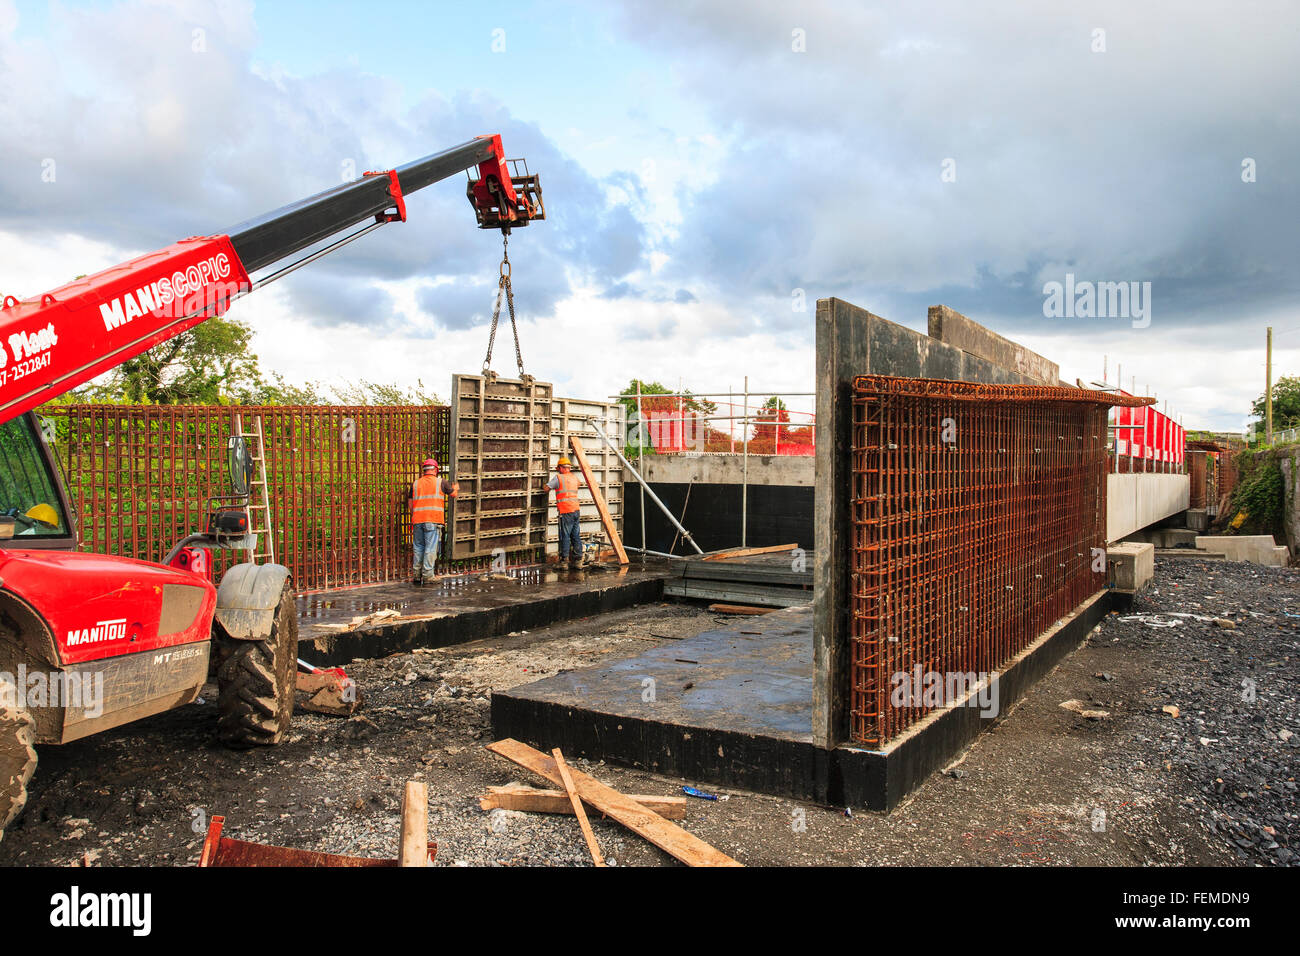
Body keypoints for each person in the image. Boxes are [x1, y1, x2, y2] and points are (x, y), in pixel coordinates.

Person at [409, 458, 458, 585]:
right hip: (433, 520)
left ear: (424, 471)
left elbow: (410, 502)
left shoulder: (415, 483)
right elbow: (453, 494)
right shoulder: (441, 482)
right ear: (435, 470)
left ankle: (416, 574)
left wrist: (415, 515)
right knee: (430, 548)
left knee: (418, 547)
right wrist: (455, 487)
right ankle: (427, 575)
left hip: (418, 519)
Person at [548, 456, 584, 569]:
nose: (558, 470)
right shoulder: (574, 478)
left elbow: (546, 488)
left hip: (566, 510)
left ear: (561, 467)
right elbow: (579, 484)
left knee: (565, 536)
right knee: (576, 535)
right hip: (576, 510)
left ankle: (564, 562)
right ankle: (578, 561)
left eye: (558, 468)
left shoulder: (558, 478)